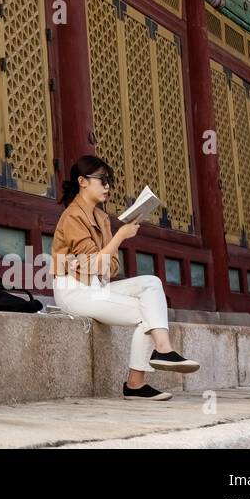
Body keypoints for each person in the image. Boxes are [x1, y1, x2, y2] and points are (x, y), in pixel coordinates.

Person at [50, 154, 200, 401]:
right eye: (102, 179)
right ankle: (136, 383)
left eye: (109, 180)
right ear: (82, 181)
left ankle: (164, 350)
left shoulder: (101, 218)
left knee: (152, 283)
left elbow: (112, 267)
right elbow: (95, 263)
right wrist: (119, 238)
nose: (107, 186)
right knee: (147, 312)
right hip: (73, 290)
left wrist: (102, 258)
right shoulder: (72, 217)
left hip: (96, 286)